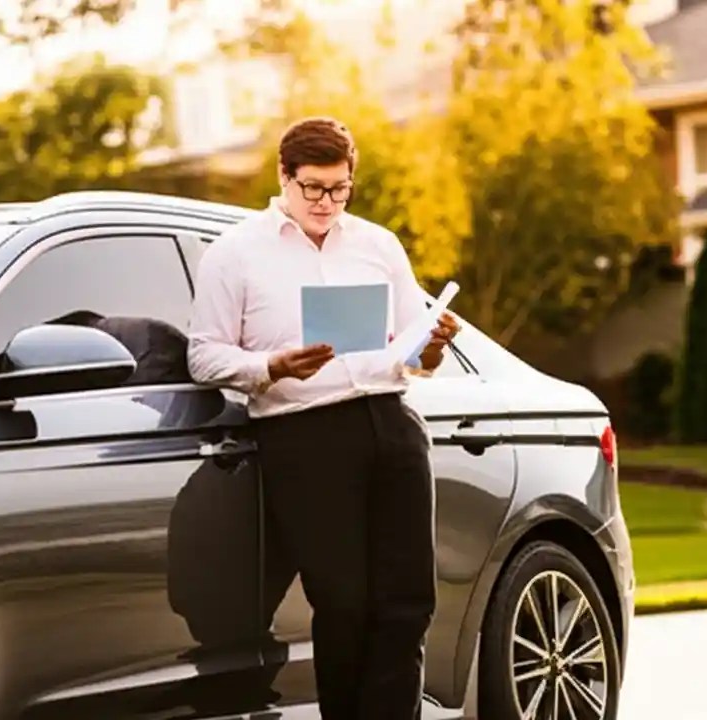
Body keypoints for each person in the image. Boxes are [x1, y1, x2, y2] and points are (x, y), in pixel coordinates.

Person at [186, 116, 460, 719]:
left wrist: (434, 341)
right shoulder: (235, 254)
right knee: (343, 603)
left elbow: (414, 351)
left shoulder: (377, 244)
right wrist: (272, 366)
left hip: (392, 424)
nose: (326, 203)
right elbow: (203, 355)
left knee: (408, 603)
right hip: (303, 432)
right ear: (284, 177)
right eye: (313, 188)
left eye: (340, 189)